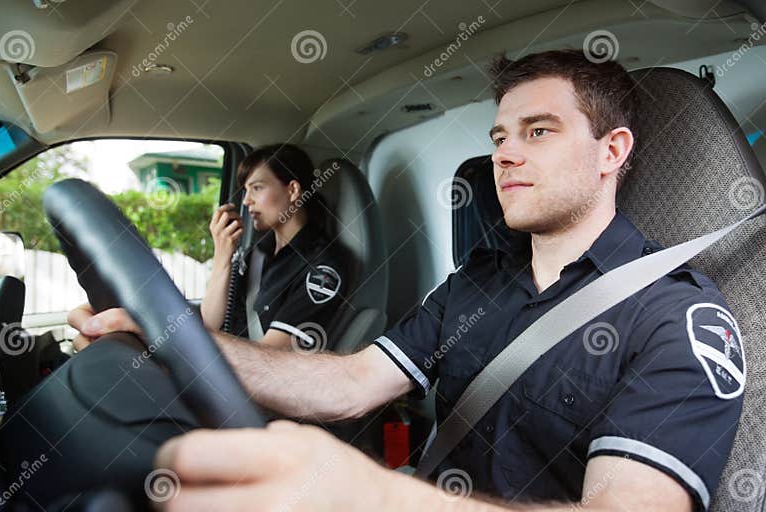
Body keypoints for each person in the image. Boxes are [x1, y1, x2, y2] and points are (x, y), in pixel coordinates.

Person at [69, 50, 744, 511]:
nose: (505, 152)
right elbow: (349, 382)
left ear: (612, 151)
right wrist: (172, 337)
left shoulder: (675, 318)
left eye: (538, 131)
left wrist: (375, 495)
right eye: (500, 134)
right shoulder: (476, 284)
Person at [201, 143, 345, 350]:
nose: (246, 201)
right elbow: (210, 323)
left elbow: (268, 355)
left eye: (257, 188)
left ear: (293, 190)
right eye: (245, 190)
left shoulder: (322, 268)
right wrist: (222, 257)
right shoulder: (257, 253)